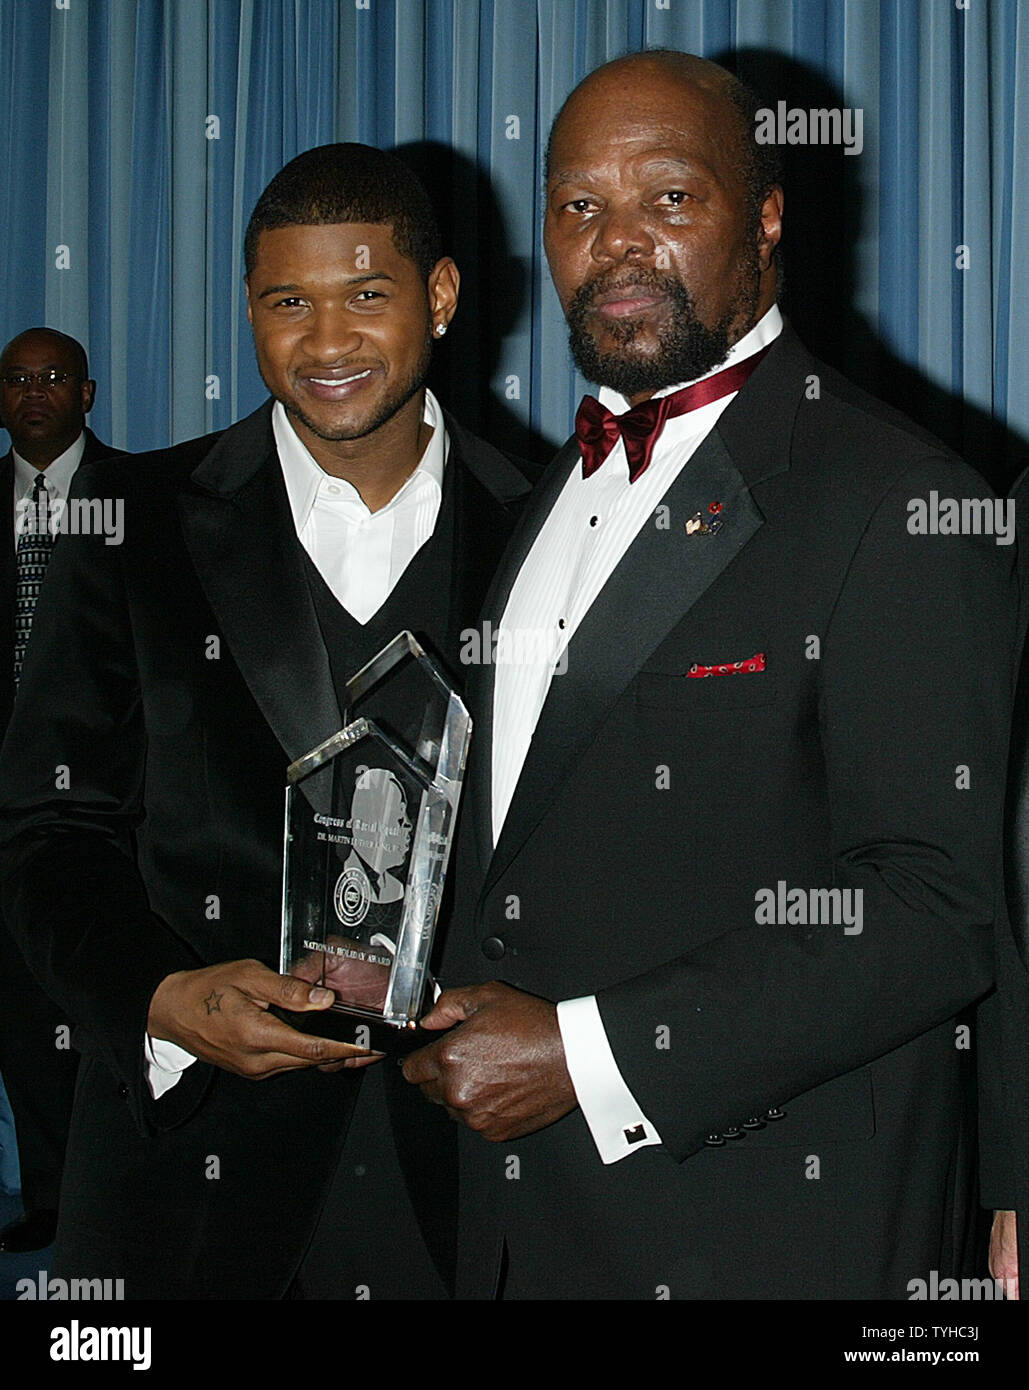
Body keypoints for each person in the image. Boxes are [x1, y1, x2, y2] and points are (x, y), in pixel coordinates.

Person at [402, 50, 1016, 1299]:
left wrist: (586, 1053)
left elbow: (931, 909)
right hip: (516, 1225)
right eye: (579, 206)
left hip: (765, 1226)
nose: (617, 241)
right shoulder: (531, 505)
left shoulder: (901, 498)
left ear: (769, 218)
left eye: (670, 198)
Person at [0, 144, 534, 1297]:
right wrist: (160, 996)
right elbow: (45, 830)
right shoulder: (128, 519)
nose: (327, 342)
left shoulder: (547, 526)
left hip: (467, 1166)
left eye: (366, 296)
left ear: (440, 297)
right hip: (182, 1167)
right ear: (247, 307)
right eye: (288, 302)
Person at [0, 328, 123, 1255]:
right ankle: (49, 1197)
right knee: (19, 1008)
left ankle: (116, 1197)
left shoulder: (143, 497)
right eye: (17, 380)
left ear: (86, 394)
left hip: (108, 801)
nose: (34, 393)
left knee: (106, 1002)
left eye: (52, 378)